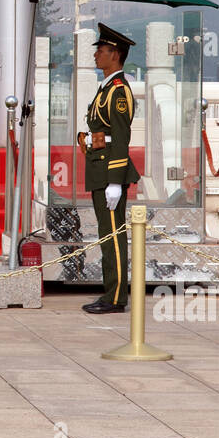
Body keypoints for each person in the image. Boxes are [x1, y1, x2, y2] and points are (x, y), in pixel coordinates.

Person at [79, 23, 139, 315]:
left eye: (101, 51)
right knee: (107, 234)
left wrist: (115, 180)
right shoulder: (105, 89)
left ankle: (116, 297)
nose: (96, 56)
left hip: (109, 173)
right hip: (99, 169)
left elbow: (121, 137)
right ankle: (110, 292)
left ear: (115, 55)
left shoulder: (118, 92)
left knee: (114, 235)